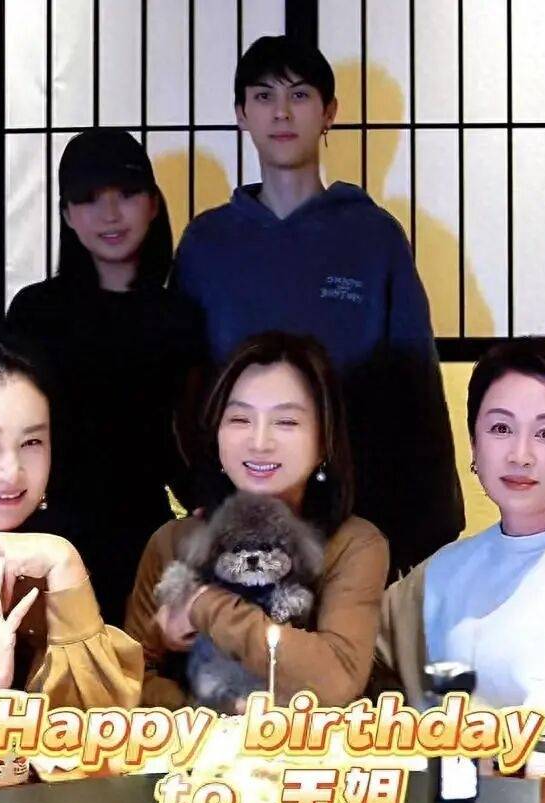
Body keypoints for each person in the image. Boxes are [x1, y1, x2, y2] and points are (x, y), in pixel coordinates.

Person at [170, 35, 463, 579]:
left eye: (300, 95)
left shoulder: (373, 236)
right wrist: (200, 491)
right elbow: (183, 386)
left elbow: (413, 386)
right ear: (241, 114)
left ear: (329, 113)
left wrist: (425, 522)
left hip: (359, 508)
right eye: (263, 96)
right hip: (238, 513)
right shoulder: (207, 244)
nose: (281, 112)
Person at [6, 128, 206, 625]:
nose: (110, 214)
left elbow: (186, 440)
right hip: (46, 531)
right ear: (67, 214)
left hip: (146, 533)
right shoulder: (36, 312)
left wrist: (212, 513)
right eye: (89, 199)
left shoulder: (178, 317)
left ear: (153, 204)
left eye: (127, 194)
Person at [125, 331, 389, 708]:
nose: (259, 442)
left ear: (324, 441)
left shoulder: (353, 544)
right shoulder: (175, 541)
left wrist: (205, 605)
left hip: (308, 746)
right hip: (194, 744)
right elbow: (131, 678)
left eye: (286, 422)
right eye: (239, 419)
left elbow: (336, 681)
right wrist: (208, 714)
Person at [0, 330, 144, 733]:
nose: (12, 472)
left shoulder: (48, 557)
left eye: (31, 442)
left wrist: (65, 565)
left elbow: (102, 730)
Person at [379, 337, 545, 710]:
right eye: (500, 428)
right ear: (473, 442)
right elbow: (351, 661)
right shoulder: (440, 574)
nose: (520, 455)